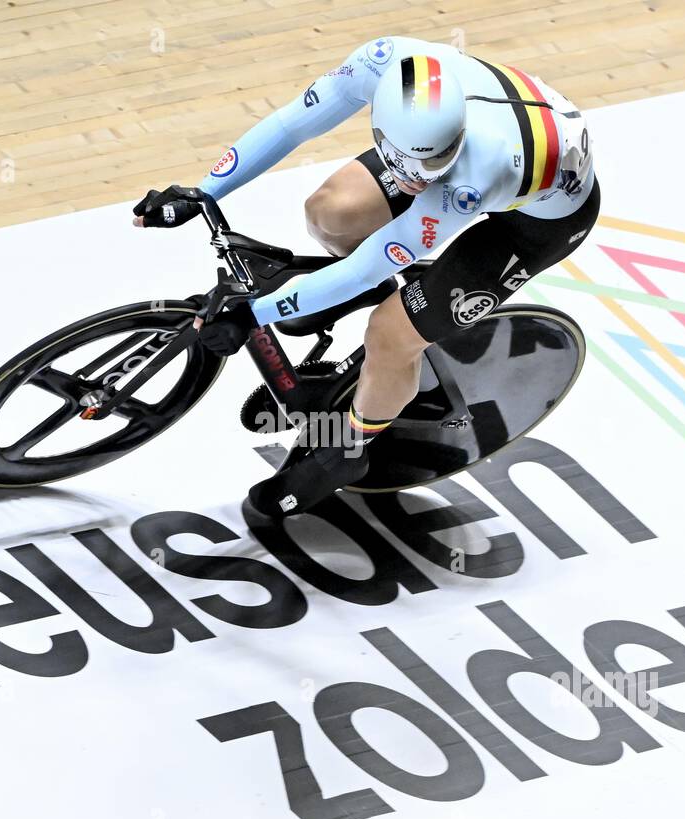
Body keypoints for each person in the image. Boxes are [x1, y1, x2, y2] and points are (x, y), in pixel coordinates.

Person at [133, 36, 598, 517]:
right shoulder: (379, 63)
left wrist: (255, 314)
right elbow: (291, 125)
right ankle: (360, 304)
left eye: (435, 161)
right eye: (415, 164)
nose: (421, 178)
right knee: (329, 214)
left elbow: (367, 265)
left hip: (539, 220)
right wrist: (204, 191)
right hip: (482, 147)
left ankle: (347, 451)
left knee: (391, 333)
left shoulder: (467, 177)